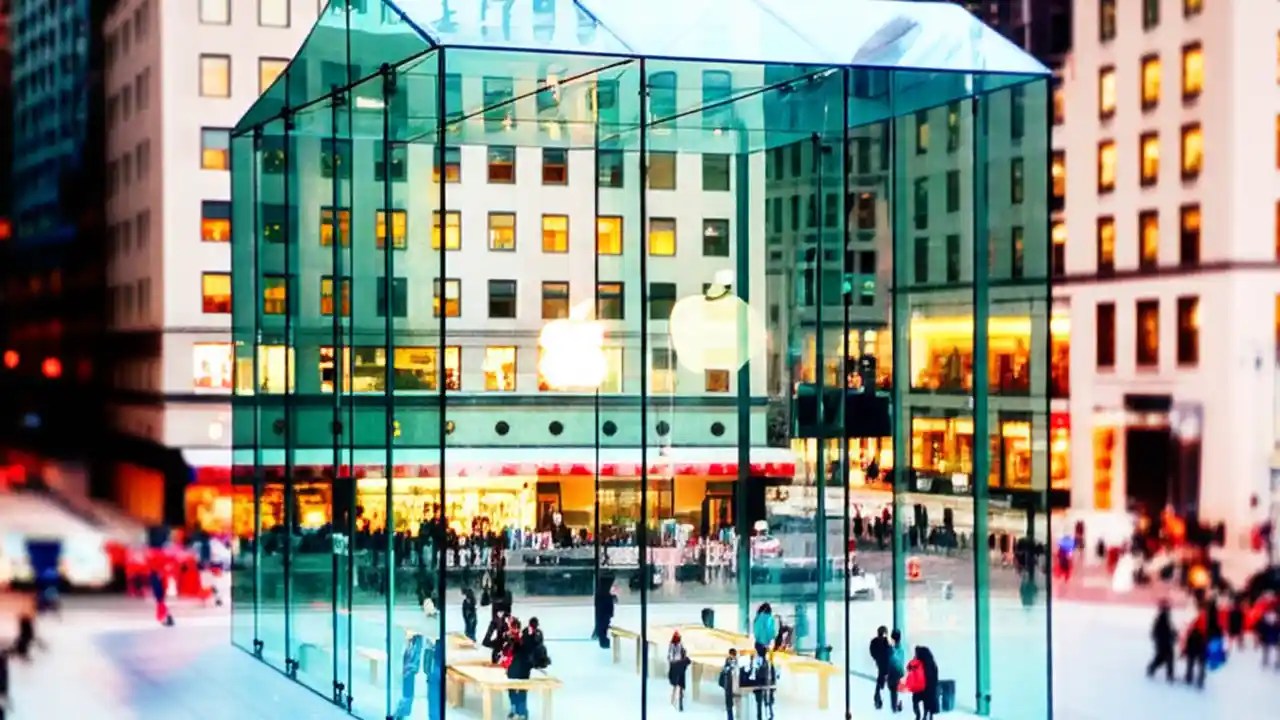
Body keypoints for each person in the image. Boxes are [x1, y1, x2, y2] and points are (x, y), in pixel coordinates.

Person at [504, 619, 531, 720]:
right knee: (512, 690)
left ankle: (522, 712)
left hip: (521, 669)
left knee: (521, 691)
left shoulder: (522, 639)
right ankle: (514, 709)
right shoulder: (507, 638)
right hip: (512, 669)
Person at [905, 646, 939, 720]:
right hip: (929, 689)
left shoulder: (918, 662)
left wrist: (914, 659)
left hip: (919, 688)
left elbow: (908, 667)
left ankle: (918, 715)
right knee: (927, 705)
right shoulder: (932, 664)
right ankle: (926, 716)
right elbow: (935, 678)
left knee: (915, 701)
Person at [1146, 600, 1177, 682]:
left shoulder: (1164, 618)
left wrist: (1174, 634)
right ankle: (1153, 669)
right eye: (1168, 608)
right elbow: (1163, 631)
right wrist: (1172, 635)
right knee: (1164, 657)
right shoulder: (1163, 618)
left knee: (1165, 658)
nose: (1170, 610)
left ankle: (1168, 675)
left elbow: (1168, 630)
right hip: (1164, 642)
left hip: (1163, 641)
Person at [869, 625, 893, 710]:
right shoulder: (885, 641)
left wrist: (876, 658)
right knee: (883, 678)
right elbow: (890, 652)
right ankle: (879, 697)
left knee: (881, 678)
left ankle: (878, 697)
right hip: (886, 663)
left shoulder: (874, 641)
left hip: (880, 662)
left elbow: (872, 651)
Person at [667, 631, 690, 710]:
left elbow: (670, 657)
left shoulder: (678, 645)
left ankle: (677, 703)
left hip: (677, 667)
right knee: (677, 686)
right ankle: (674, 702)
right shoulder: (674, 645)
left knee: (678, 686)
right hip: (677, 667)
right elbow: (671, 657)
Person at [593, 578, 616, 649]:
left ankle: (603, 641)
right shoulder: (603, 594)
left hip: (604, 613)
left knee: (603, 626)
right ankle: (603, 642)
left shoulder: (602, 593)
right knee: (603, 625)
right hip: (604, 613)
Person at [717, 648, 739, 720]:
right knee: (730, 704)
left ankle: (732, 717)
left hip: (731, 686)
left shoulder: (731, 663)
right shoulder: (730, 663)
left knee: (731, 704)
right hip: (730, 686)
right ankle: (731, 718)